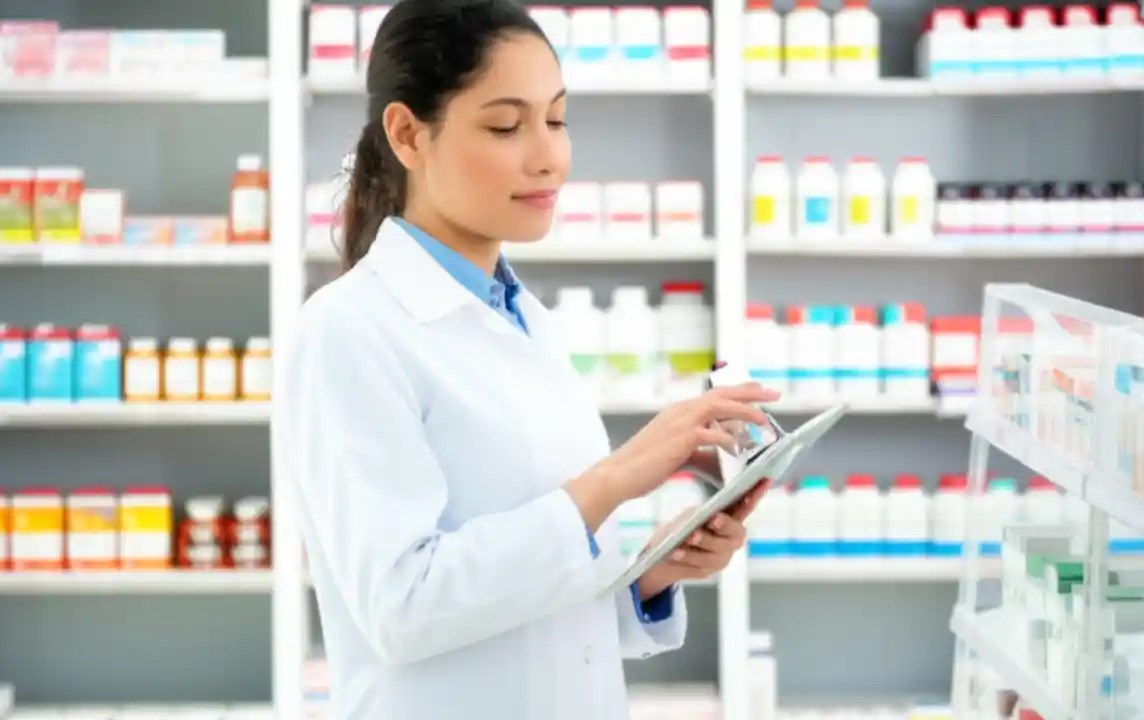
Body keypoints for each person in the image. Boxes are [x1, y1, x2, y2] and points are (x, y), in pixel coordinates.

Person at [273, 0, 781, 718]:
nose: (549, 156)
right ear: (408, 134)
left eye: (558, 119)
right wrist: (616, 479)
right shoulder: (348, 331)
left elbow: (531, 596)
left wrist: (644, 577)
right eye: (507, 126)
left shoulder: (524, 320)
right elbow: (403, 606)